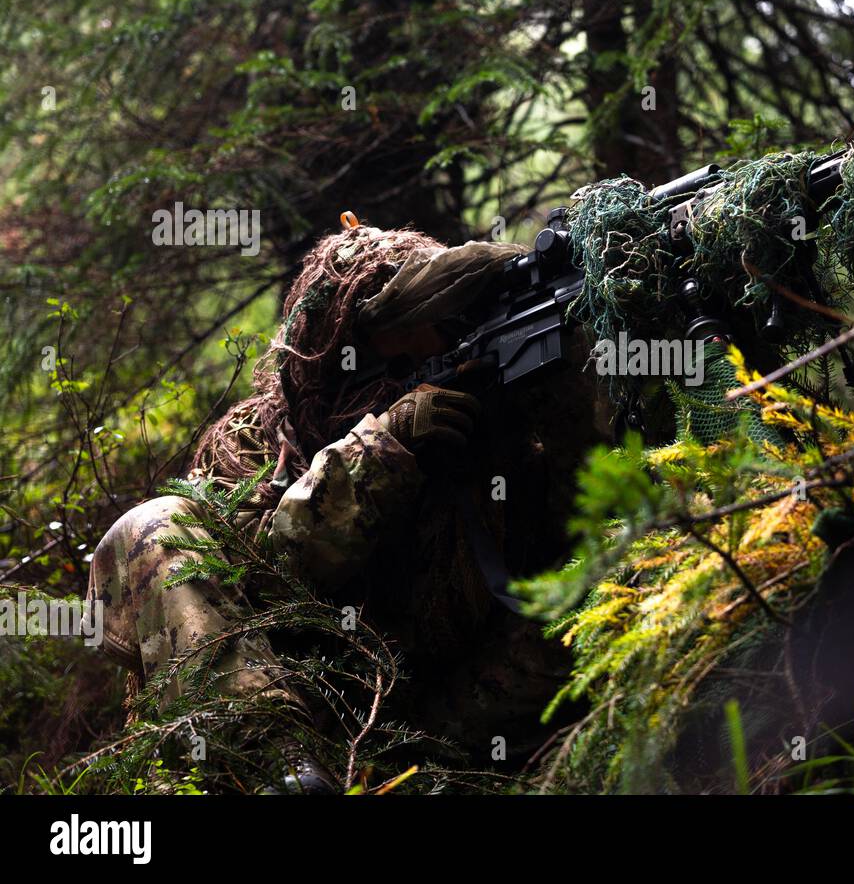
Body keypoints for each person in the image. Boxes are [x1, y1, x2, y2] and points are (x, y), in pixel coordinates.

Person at [84, 218, 613, 791]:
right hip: (304, 710)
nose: (425, 358)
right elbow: (268, 578)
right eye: (397, 347)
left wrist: (559, 396)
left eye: (435, 332)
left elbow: (585, 525)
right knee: (155, 526)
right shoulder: (252, 442)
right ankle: (277, 769)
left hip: (445, 715)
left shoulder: (493, 418)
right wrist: (383, 448)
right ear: (334, 355)